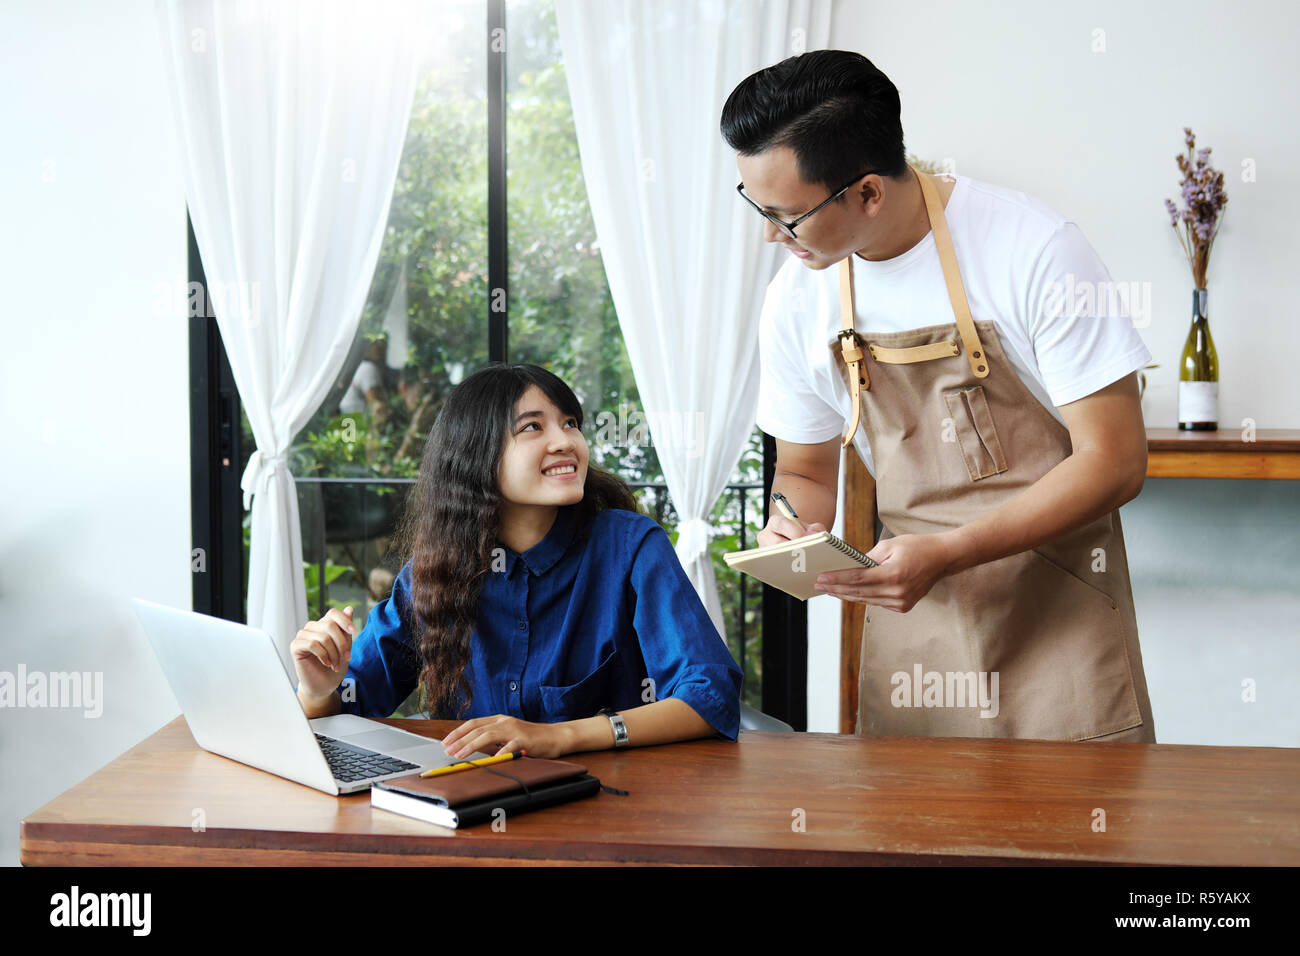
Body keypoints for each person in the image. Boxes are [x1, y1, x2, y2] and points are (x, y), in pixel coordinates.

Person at [721, 50, 1156, 742]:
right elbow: (804, 471)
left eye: (788, 216)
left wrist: (949, 551)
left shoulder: (1036, 249)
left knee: (1077, 835)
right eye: (757, 207)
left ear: (867, 193)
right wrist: (788, 526)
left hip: (1060, 618)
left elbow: (1115, 459)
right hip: (914, 625)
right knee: (915, 840)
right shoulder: (798, 297)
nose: (772, 235)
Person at [292, 363, 743, 758]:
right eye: (533, 427)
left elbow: (709, 696)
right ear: (476, 456)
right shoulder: (434, 573)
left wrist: (562, 736)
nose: (565, 441)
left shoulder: (629, 547)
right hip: (467, 813)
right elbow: (352, 705)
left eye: (570, 423)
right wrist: (318, 690)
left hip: (611, 811)